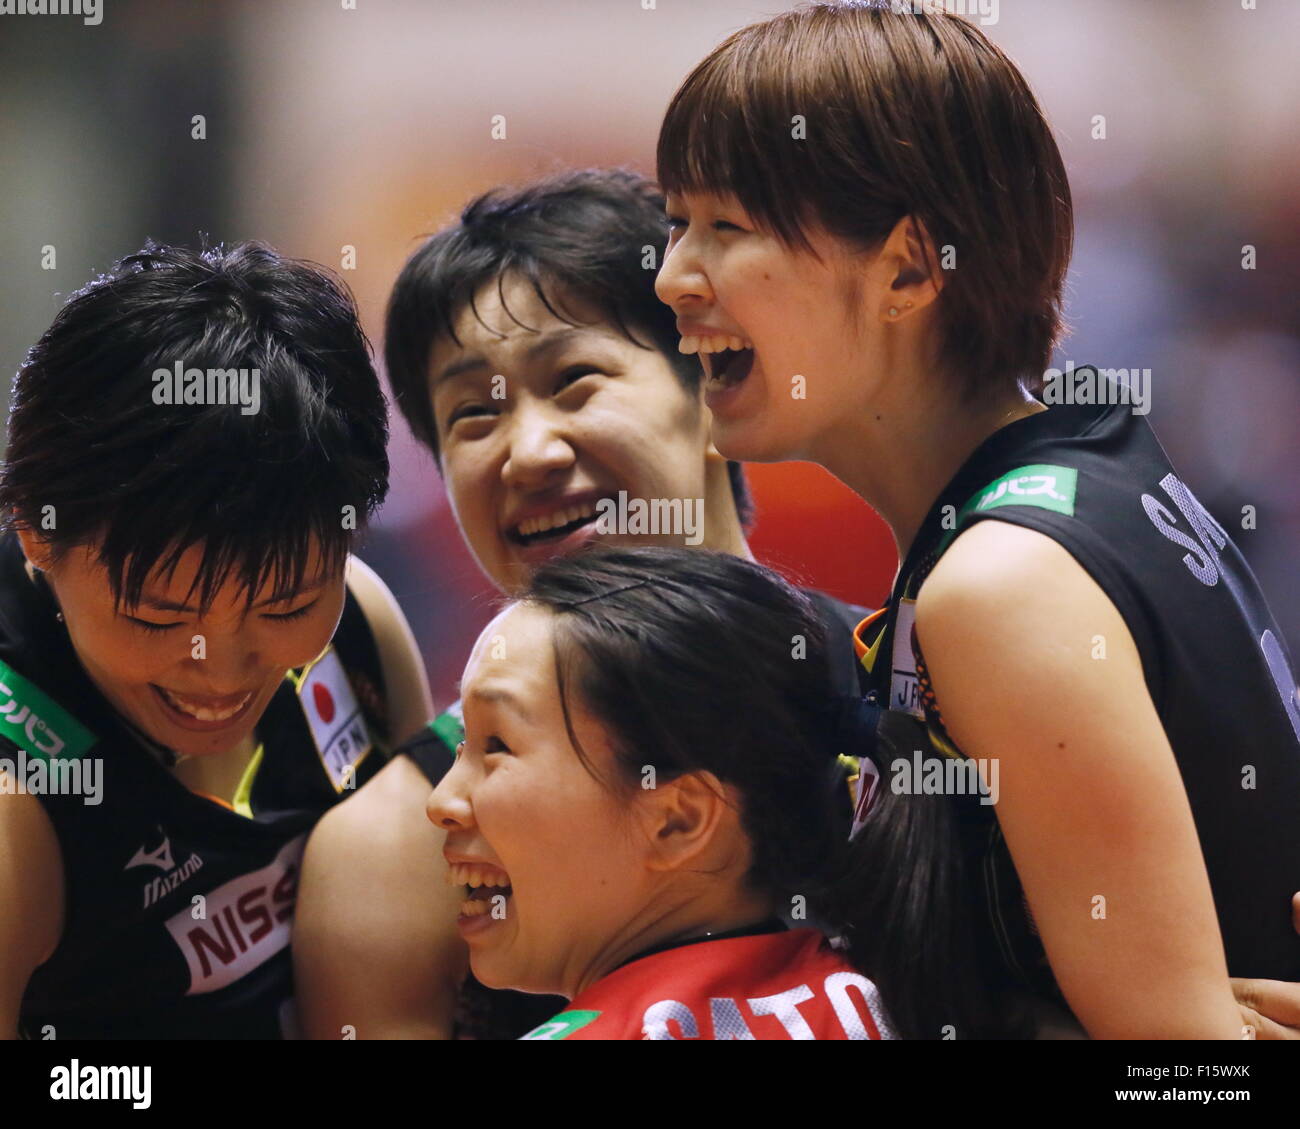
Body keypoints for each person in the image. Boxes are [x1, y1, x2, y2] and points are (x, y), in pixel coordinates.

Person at [653, 0, 1300, 1038]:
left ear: (909, 268)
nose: (674, 276)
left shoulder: (1001, 586)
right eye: (673, 223)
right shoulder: (1085, 462)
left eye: (727, 227)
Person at [293, 169, 869, 1039]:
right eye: (471, 416)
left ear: (714, 391)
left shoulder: (906, 687)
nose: (528, 451)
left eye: (572, 381)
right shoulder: (396, 851)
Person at [0, 241, 434, 1039]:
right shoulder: (14, 806)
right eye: (159, 618)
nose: (220, 671)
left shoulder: (359, 627)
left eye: (285, 605)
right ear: (36, 534)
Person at [428, 546, 898, 1040]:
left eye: (497, 746)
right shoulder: (896, 1001)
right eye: (463, 746)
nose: (441, 803)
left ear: (679, 821)